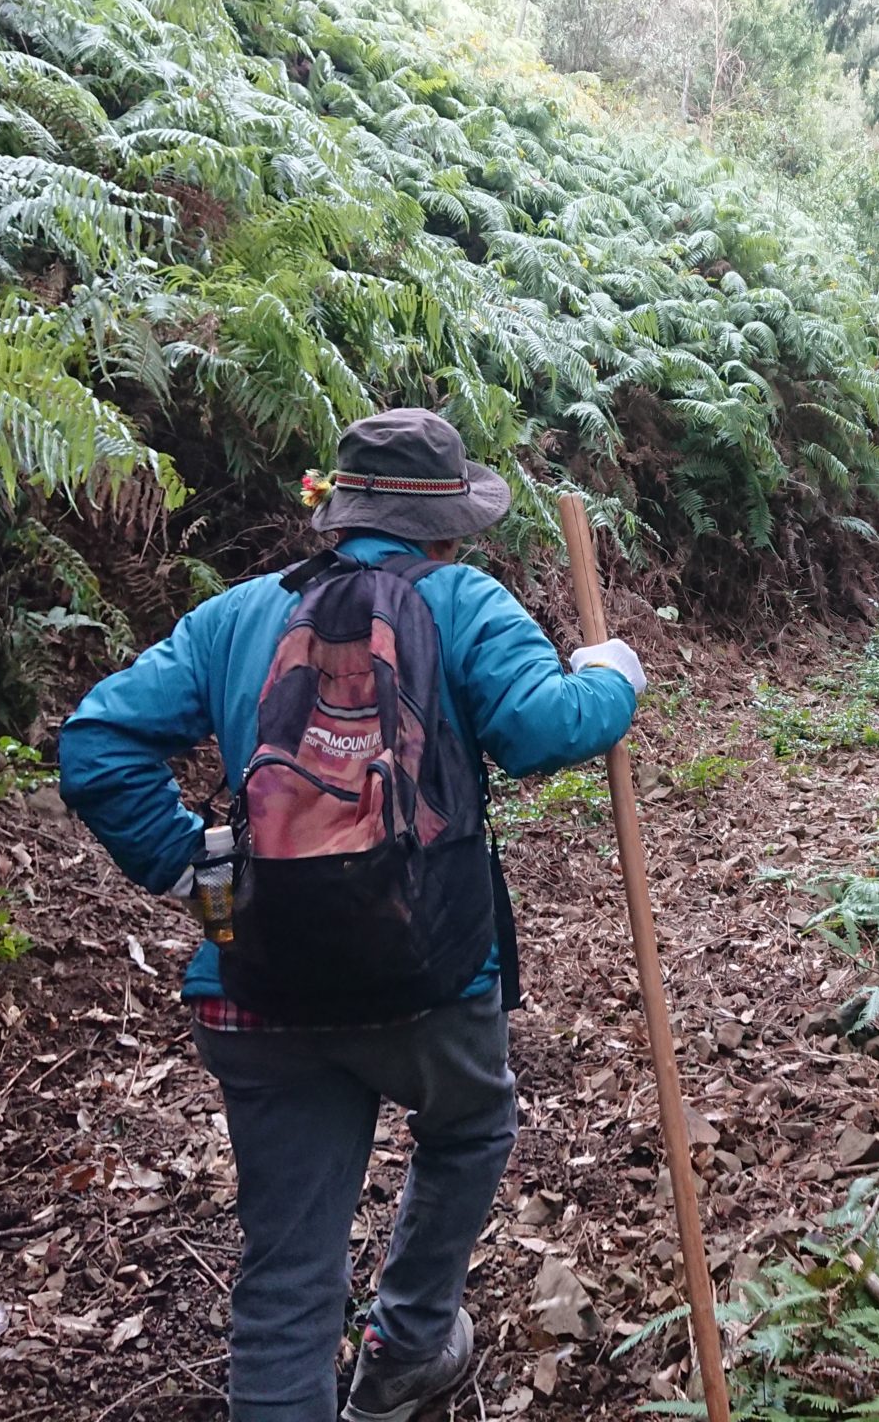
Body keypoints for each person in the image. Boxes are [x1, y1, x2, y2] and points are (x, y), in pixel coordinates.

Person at [59, 410, 644, 1422]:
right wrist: (612, 679)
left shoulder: (236, 619)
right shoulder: (464, 602)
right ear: (447, 525)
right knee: (471, 1124)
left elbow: (96, 743)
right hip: (428, 977)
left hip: (256, 978)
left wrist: (194, 862)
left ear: (336, 515)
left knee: (287, 1270)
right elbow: (542, 728)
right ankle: (411, 1344)